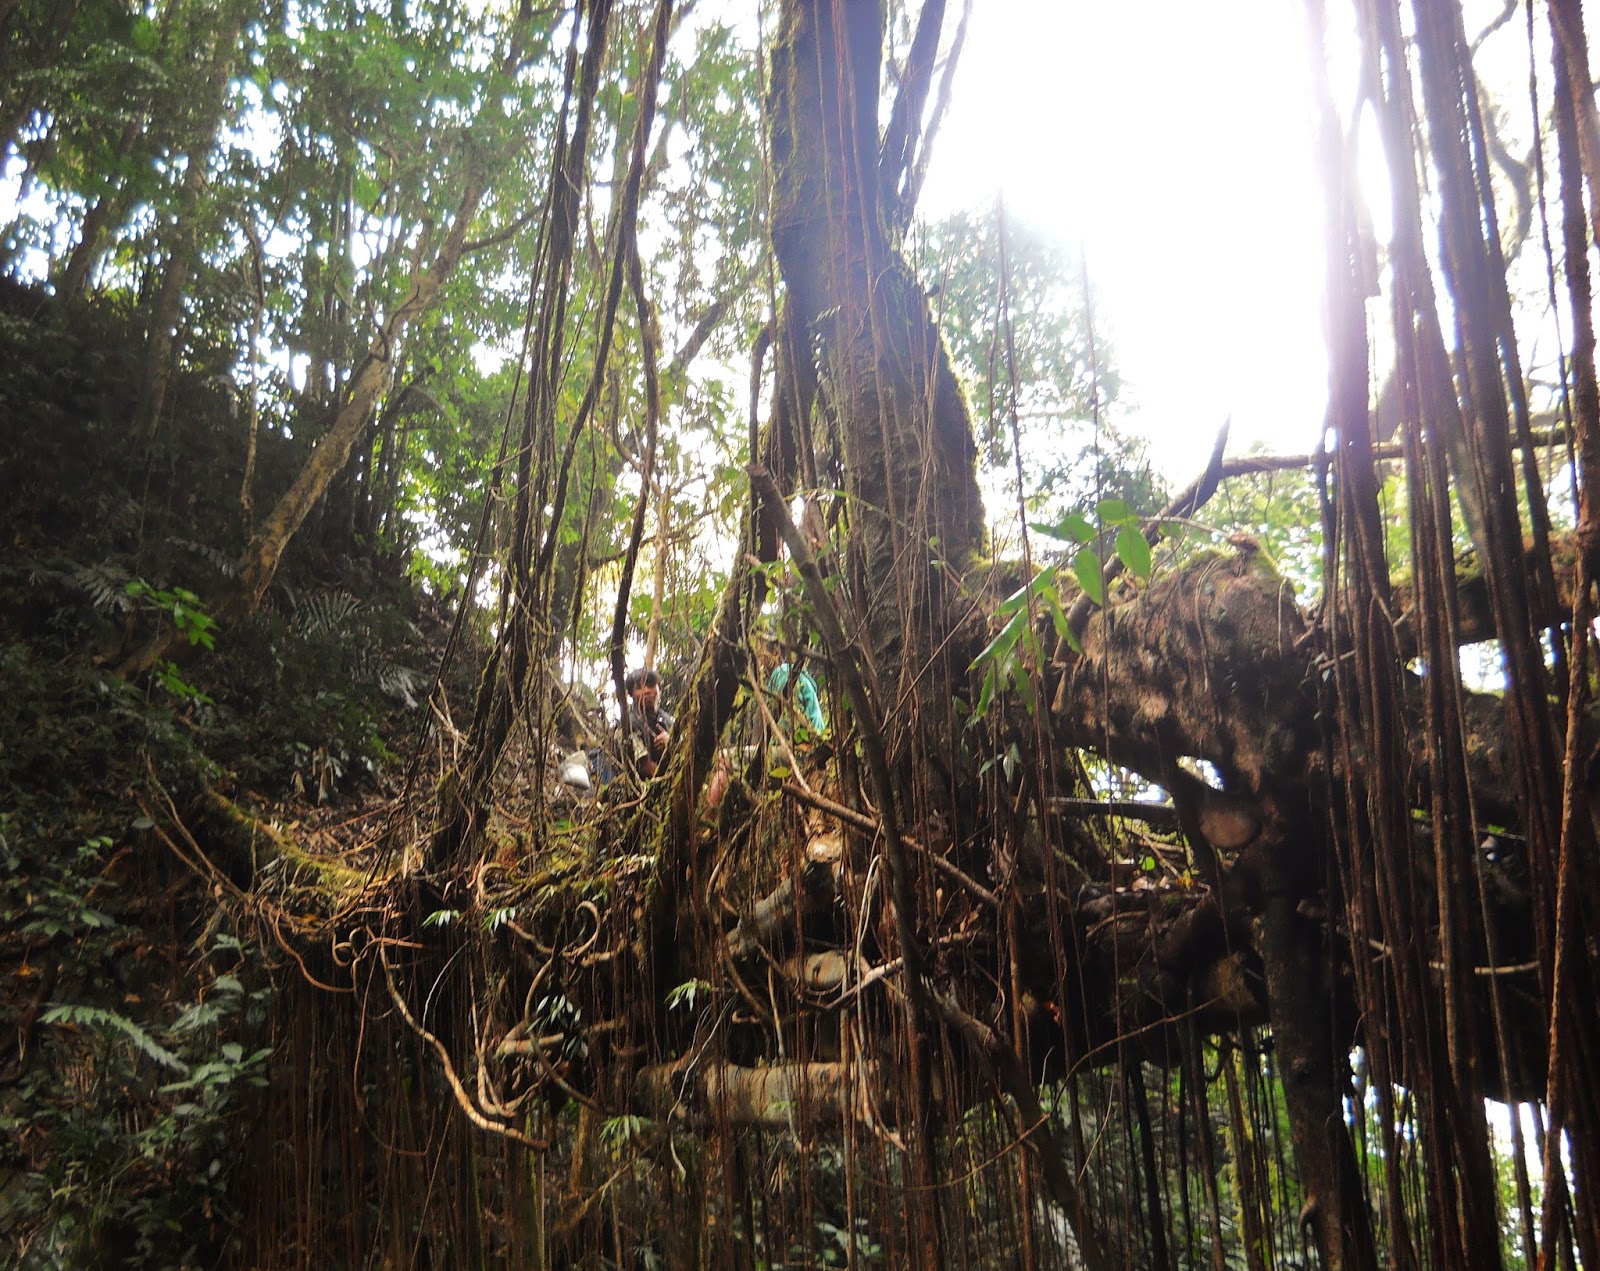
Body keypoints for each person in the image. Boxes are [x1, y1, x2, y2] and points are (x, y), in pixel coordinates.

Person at [765, 640, 827, 738]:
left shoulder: (781, 674)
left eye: (763, 655)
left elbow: (790, 716)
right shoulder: (791, 673)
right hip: (819, 735)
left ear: (776, 653)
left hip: (806, 738)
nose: (760, 661)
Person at [624, 667, 674, 778]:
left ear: (659, 689)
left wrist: (670, 742)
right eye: (639, 687)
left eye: (651, 685)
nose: (646, 691)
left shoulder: (669, 720)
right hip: (648, 788)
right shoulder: (629, 724)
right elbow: (645, 767)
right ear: (631, 694)